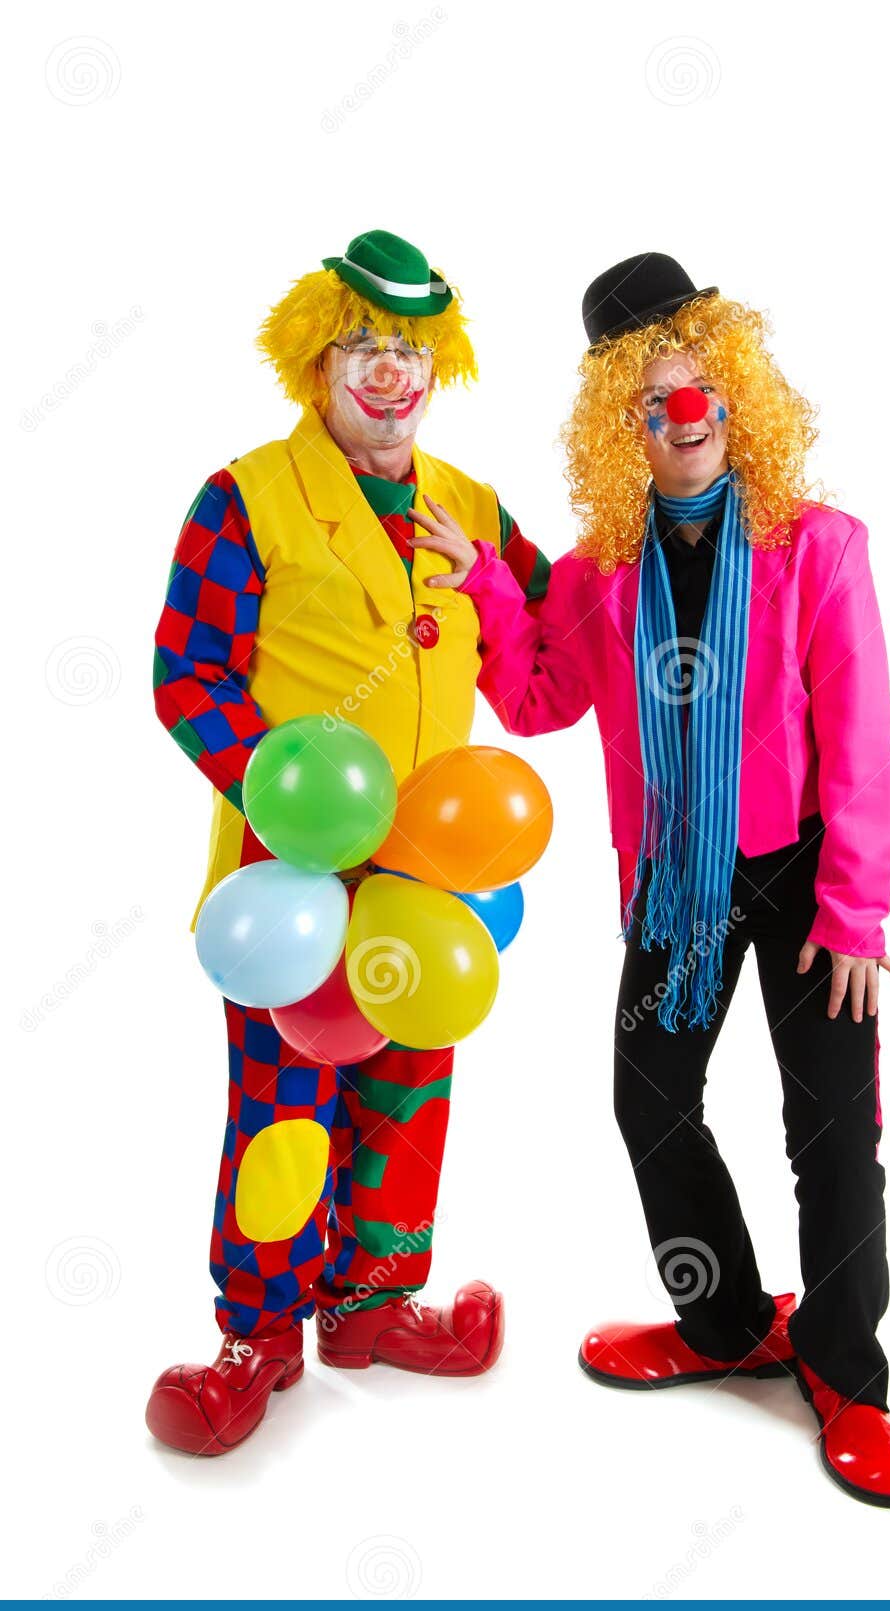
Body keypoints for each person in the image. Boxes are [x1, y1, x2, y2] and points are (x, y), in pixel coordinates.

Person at [412, 252, 890, 1508]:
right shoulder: (602, 575)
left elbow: (860, 738)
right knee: (648, 1101)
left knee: (833, 1137)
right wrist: (489, 583)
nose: (683, 418)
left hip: (809, 878)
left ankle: (845, 1376)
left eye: (698, 390)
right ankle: (726, 1326)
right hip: (675, 887)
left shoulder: (815, 548)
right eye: (652, 402)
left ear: (735, 397)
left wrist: (855, 913)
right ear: (624, 425)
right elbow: (540, 696)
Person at [146, 230, 550, 1455]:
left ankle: (372, 1309)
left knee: (408, 1091)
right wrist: (281, 797)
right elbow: (188, 673)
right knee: (284, 1103)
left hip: (433, 881)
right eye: (363, 346)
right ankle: (256, 1337)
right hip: (294, 884)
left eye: (411, 349)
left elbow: (548, 643)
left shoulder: (471, 507)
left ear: (441, 366)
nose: (389, 371)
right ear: (315, 363)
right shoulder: (247, 494)